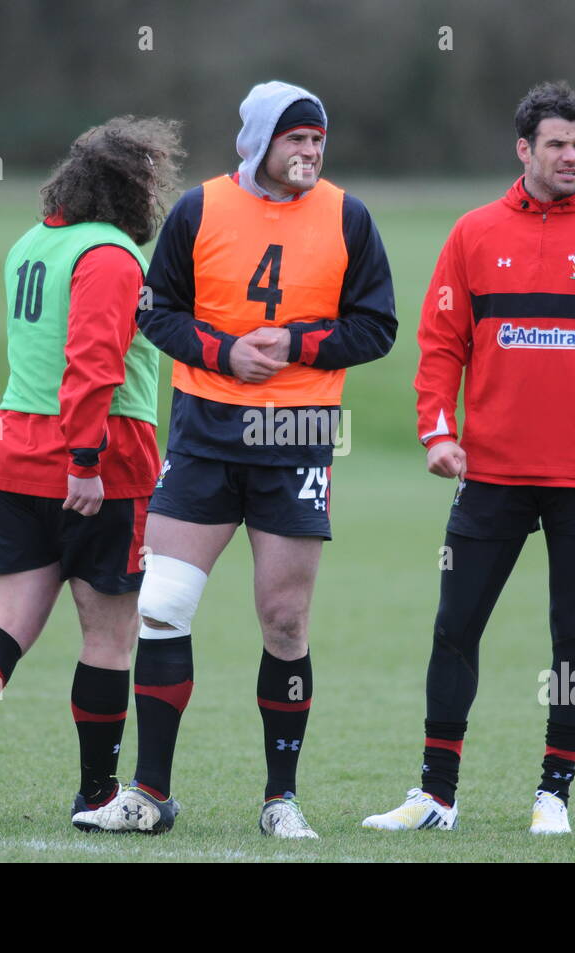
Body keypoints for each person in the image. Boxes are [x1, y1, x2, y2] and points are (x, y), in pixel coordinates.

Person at [71, 80, 396, 838]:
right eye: (296, 139)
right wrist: (222, 351)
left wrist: (297, 343)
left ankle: (280, 798)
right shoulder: (199, 210)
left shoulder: (350, 216)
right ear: (257, 142)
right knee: (163, 605)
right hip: (206, 434)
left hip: (295, 441)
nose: (310, 151)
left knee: (285, 620)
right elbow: (156, 312)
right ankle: (149, 795)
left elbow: (378, 325)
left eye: (318, 140)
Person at [362, 81, 575, 835]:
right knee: (454, 626)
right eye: (558, 145)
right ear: (524, 149)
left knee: (573, 633)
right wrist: (437, 430)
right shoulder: (473, 233)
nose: (572, 158)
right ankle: (437, 794)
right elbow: (441, 343)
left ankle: (553, 795)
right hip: (492, 472)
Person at [0, 117, 183, 825]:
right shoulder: (112, 256)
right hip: (97, 462)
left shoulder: (30, 245)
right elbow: (93, 363)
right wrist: (87, 462)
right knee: (109, 636)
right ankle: (97, 795)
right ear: (131, 189)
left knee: (11, 617)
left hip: (12, 454)